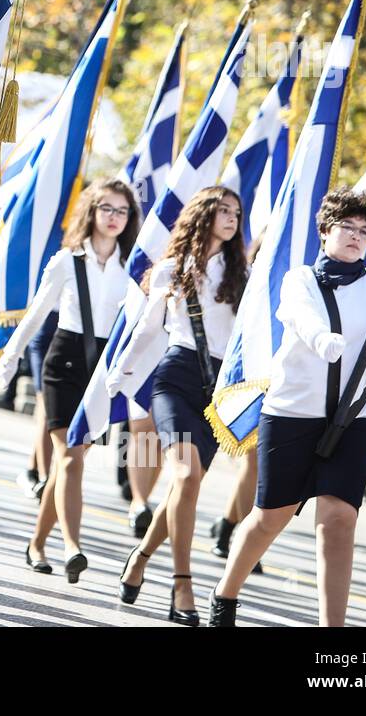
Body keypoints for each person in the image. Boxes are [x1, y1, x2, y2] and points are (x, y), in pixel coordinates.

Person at [208, 188, 366, 626]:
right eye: (347, 227)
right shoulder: (300, 279)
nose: (357, 236)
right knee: (268, 518)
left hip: (356, 417)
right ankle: (225, 595)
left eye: (364, 231)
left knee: (338, 518)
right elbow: (300, 315)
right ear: (324, 232)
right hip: (294, 413)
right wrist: (322, 339)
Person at [114, 185, 247, 624]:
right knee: (186, 476)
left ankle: (141, 556)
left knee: (183, 489)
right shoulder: (174, 268)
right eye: (222, 210)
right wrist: (122, 371)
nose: (231, 217)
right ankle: (182, 586)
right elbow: (149, 328)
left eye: (236, 212)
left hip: (218, 391)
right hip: (176, 377)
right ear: (203, 214)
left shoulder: (242, 273)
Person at [0, 179, 139, 581]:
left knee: (66, 463)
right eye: (106, 209)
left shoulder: (132, 267)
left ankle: (37, 542)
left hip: (103, 371)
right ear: (92, 211)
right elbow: (37, 313)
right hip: (65, 365)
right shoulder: (67, 260)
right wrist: (10, 357)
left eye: (122, 211)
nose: (113, 218)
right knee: (70, 458)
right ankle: (73, 546)